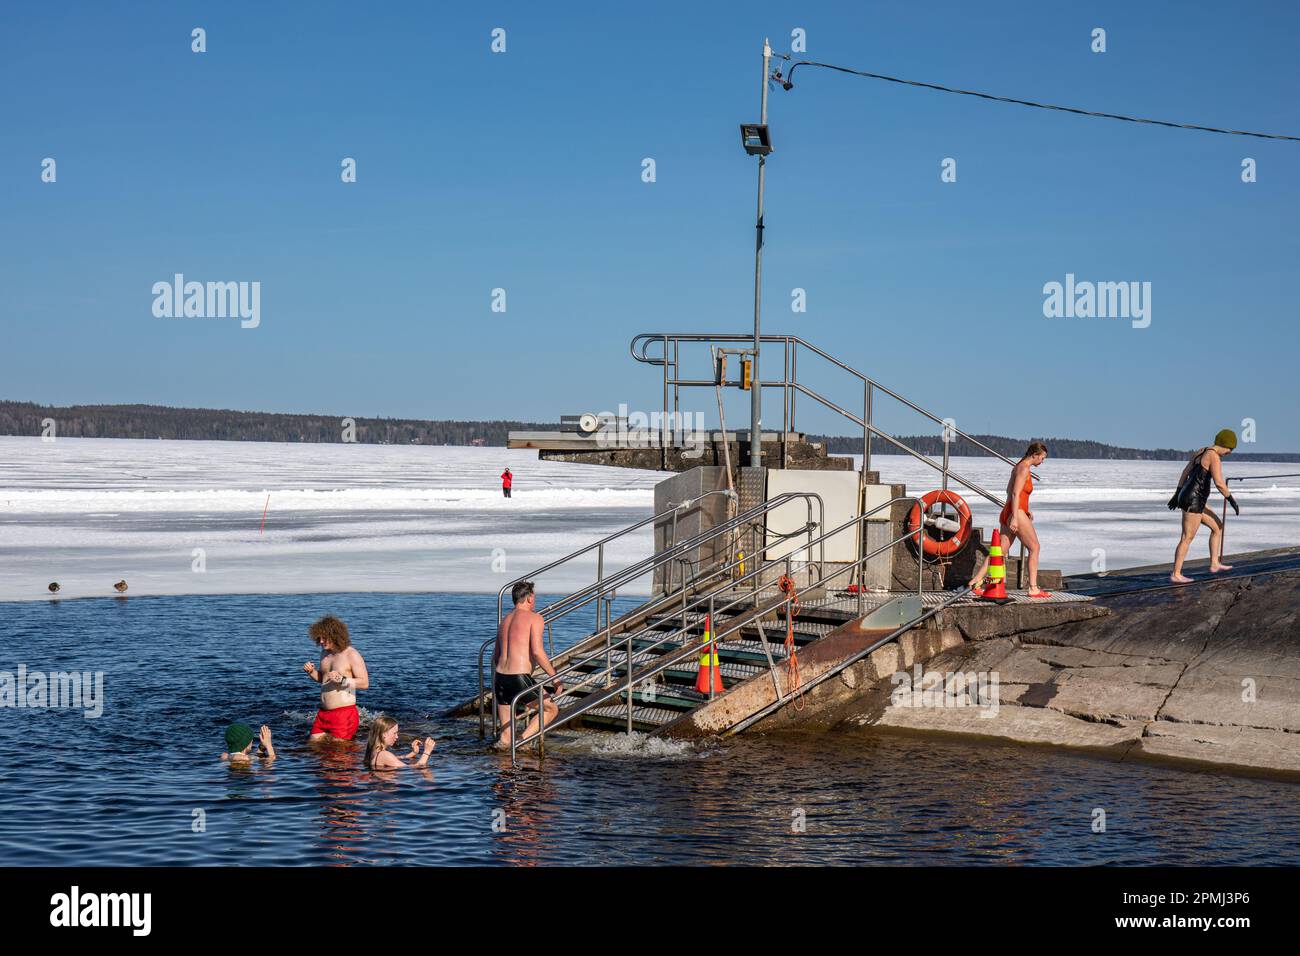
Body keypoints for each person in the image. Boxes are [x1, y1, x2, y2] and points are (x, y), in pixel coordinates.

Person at [968, 441, 1052, 598]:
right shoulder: (1024, 468)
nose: (1042, 461)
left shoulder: (1018, 466)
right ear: (1034, 455)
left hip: (1013, 511)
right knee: (1035, 548)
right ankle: (1033, 588)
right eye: (1042, 458)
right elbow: (1014, 493)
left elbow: (1010, 491)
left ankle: (975, 582)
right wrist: (1015, 516)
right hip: (1015, 513)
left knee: (999, 551)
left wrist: (1024, 512)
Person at [493, 581, 561, 749]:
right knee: (550, 710)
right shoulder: (535, 618)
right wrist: (555, 678)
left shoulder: (505, 620)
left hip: (500, 678)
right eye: (534, 597)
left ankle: (503, 768)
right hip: (519, 678)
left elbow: (495, 656)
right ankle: (522, 742)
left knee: (505, 738)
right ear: (530, 598)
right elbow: (538, 652)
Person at [1168, 429, 1239, 583]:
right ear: (1225, 445)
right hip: (1193, 500)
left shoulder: (1201, 451)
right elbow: (1219, 483)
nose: (1229, 453)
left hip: (1193, 497)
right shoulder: (1214, 456)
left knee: (1217, 527)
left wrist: (1178, 493)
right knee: (1187, 537)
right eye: (1230, 449)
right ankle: (1176, 574)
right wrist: (1232, 500)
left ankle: (1214, 563)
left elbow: (1185, 471)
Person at [303, 615, 369, 741]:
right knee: (313, 749)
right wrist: (311, 672)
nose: (321, 641)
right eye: (319, 638)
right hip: (323, 714)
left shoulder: (351, 654)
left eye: (324, 638)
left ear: (335, 635)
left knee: (339, 755)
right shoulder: (324, 654)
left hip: (344, 714)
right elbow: (323, 679)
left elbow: (365, 683)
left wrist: (342, 680)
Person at [363, 716, 436, 771]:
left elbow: (395, 758)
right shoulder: (384, 755)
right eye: (394, 733)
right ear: (384, 734)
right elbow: (417, 767)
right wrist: (427, 751)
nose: (397, 737)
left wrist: (413, 753)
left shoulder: (373, 751)